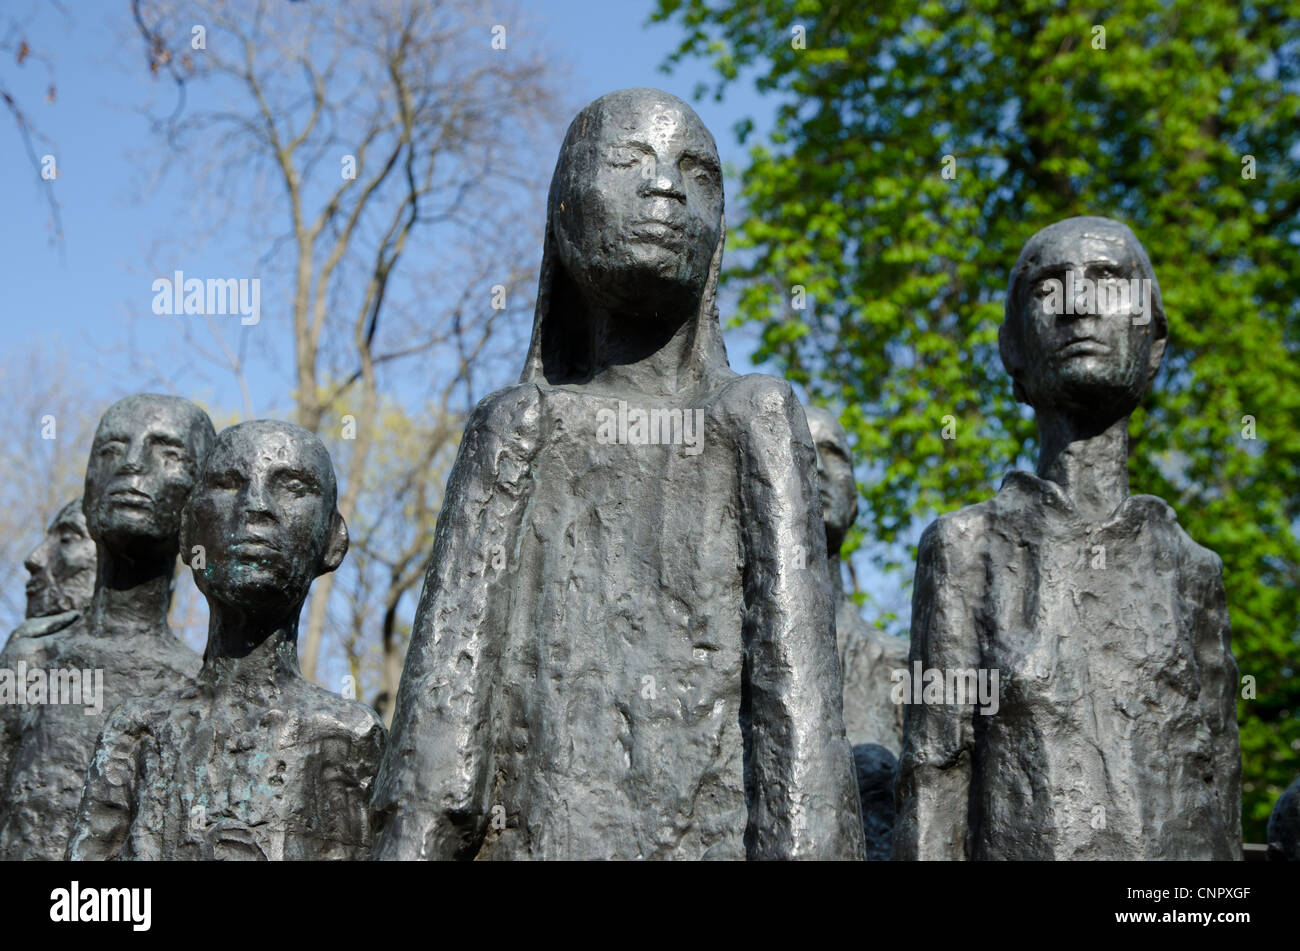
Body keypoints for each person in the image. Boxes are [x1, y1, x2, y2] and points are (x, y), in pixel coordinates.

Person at [371, 88, 863, 860]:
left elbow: (798, 718)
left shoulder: (753, 419)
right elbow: (441, 729)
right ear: (564, 209)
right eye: (631, 161)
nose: (666, 185)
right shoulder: (515, 428)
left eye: (695, 172)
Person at [893, 217, 1241, 860]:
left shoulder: (1193, 572)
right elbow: (934, 785)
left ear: (1154, 339)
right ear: (1012, 349)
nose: (1078, 303)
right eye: (1047, 287)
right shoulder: (964, 549)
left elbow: (1217, 798)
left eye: (1109, 282)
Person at [68, 421, 384, 860]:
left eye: (292, 487)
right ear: (187, 532)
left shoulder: (351, 738)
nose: (256, 507)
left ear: (334, 541)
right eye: (228, 484)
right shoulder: (137, 730)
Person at [0, 394, 212, 860]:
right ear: (89, 485)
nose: (131, 465)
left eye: (168, 454)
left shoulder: (199, 688)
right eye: (111, 450)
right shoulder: (31, 656)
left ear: (201, 502)